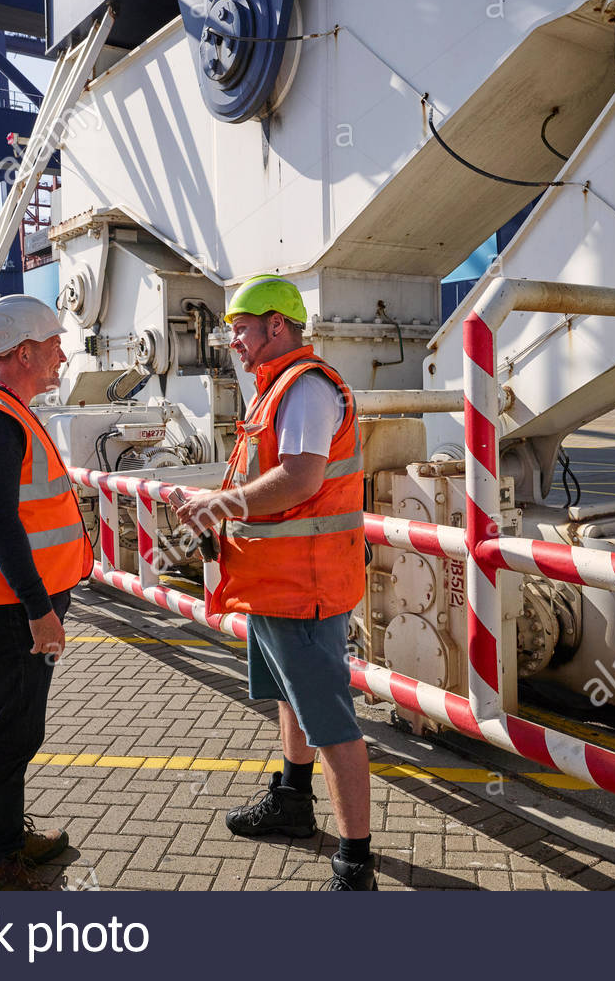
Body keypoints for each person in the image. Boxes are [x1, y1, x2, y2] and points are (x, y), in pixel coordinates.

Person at [175, 276, 376, 891]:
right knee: (292, 698)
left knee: (330, 720)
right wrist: (221, 500)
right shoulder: (275, 390)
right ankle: (292, 801)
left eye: (239, 328)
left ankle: (356, 863)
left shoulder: (306, 389)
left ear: (276, 326)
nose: (231, 340)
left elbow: (300, 480)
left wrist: (219, 505)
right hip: (276, 582)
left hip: (304, 584)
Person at [0, 294, 94, 891]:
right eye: (56, 344)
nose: (63, 354)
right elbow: (1, 523)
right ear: (27, 351)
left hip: (19, 605)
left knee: (16, 727)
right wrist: (40, 610)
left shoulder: (11, 410)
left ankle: (6, 839)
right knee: (10, 732)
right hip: (13, 610)